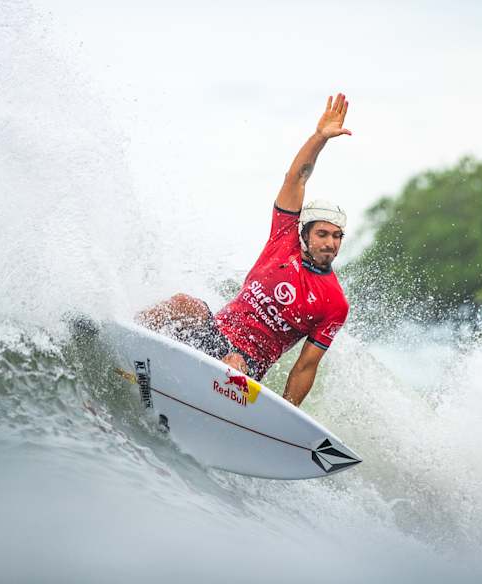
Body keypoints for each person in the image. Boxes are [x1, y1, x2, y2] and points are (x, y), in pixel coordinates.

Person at [137, 93, 352, 407]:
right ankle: (126, 335)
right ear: (303, 233)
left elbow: (306, 366)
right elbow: (296, 177)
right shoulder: (283, 240)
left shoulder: (334, 302)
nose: (331, 243)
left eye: (337, 236)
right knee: (186, 304)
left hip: (245, 368)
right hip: (213, 337)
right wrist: (319, 138)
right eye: (323, 233)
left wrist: (284, 419)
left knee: (233, 365)